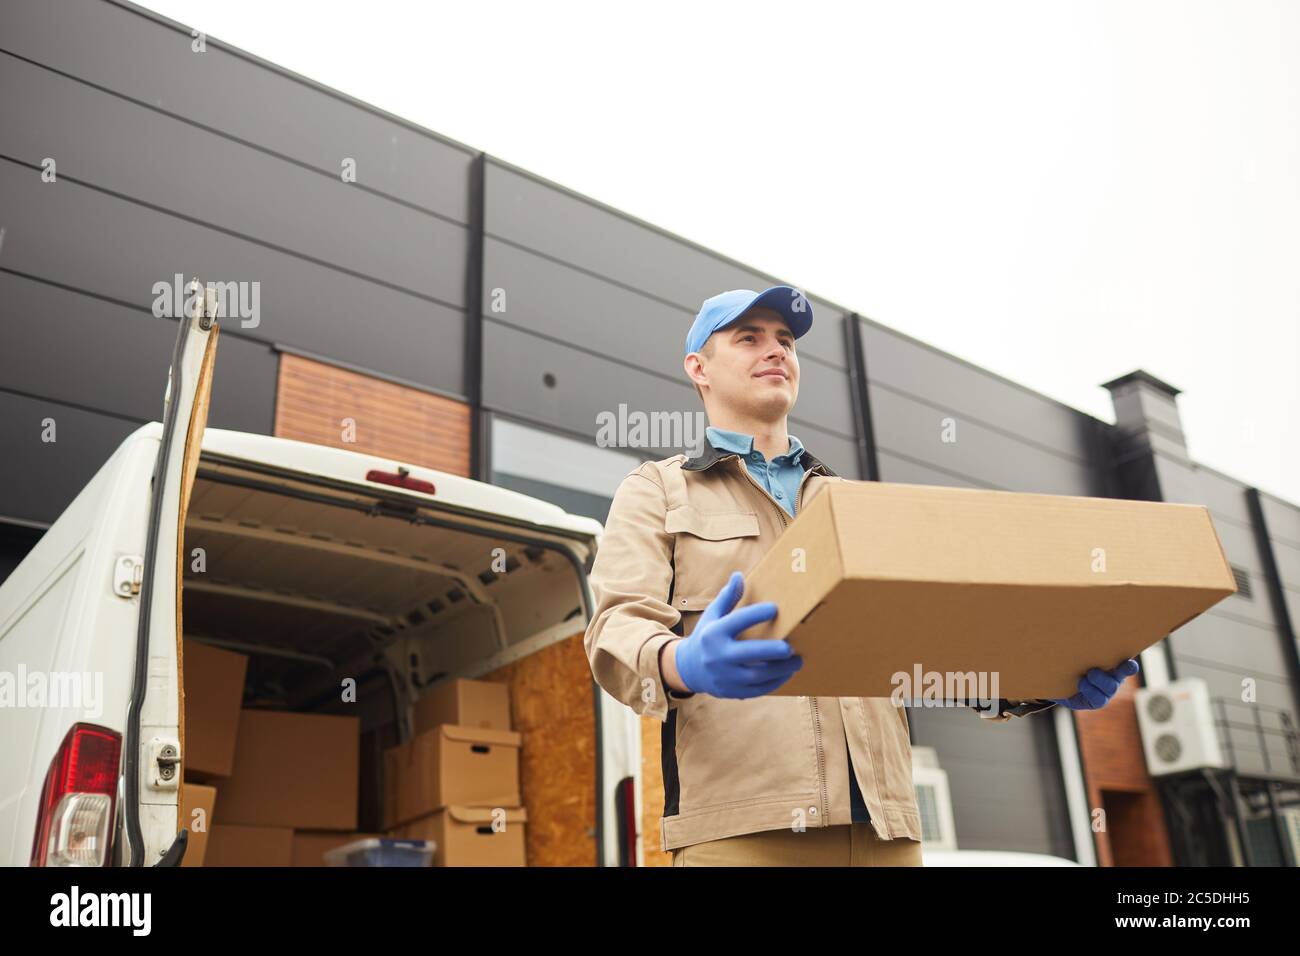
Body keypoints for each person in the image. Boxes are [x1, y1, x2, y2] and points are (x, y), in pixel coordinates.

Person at [583, 285, 1137, 867]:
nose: (776, 350)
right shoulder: (658, 489)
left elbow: (926, 652)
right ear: (699, 368)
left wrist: (1040, 677)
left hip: (886, 834)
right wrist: (684, 662)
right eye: (748, 337)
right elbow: (615, 632)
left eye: (786, 340)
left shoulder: (853, 505)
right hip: (743, 834)